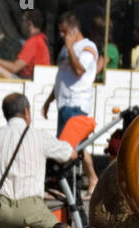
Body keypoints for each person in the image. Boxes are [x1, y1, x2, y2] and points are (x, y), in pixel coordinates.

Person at [0, 90, 73, 228]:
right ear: (27, 112)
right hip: (33, 210)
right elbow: (71, 154)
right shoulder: (40, 137)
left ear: (6, 114)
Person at [42, 13, 98, 193]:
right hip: (64, 103)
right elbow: (62, 78)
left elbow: (80, 70)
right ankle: (74, 182)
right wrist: (49, 101)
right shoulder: (67, 49)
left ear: (74, 30)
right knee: (69, 146)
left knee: (72, 146)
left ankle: (89, 179)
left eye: (64, 31)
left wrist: (71, 48)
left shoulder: (88, 48)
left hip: (77, 103)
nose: (61, 35)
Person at [0, 8, 49, 78]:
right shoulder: (41, 39)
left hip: (29, 82)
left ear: (30, 24)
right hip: (32, 79)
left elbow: (15, 67)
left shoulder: (34, 42)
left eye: (23, 20)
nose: (21, 24)